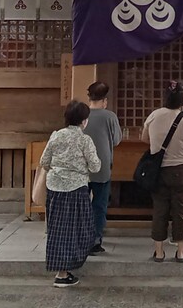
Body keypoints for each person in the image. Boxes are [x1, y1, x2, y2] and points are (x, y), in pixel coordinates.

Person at [39, 100, 101, 288]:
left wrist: (59, 169)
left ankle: (61, 271)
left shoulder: (56, 136)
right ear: (83, 120)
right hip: (76, 189)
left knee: (58, 230)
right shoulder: (84, 140)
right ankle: (63, 272)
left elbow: (44, 161)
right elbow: (95, 166)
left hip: (55, 187)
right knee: (81, 229)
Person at [143, 82, 183, 264]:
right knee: (181, 210)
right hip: (182, 169)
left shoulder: (154, 116)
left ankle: (159, 252)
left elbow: (145, 138)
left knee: (160, 210)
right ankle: (181, 252)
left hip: (159, 170)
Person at [83, 81, 122, 254]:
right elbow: (117, 140)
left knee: (82, 204)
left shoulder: (82, 115)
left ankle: (81, 238)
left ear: (89, 98)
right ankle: (95, 241)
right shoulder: (110, 116)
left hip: (82, 166)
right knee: (99, 205)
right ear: (105, 100)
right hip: (102, 166)